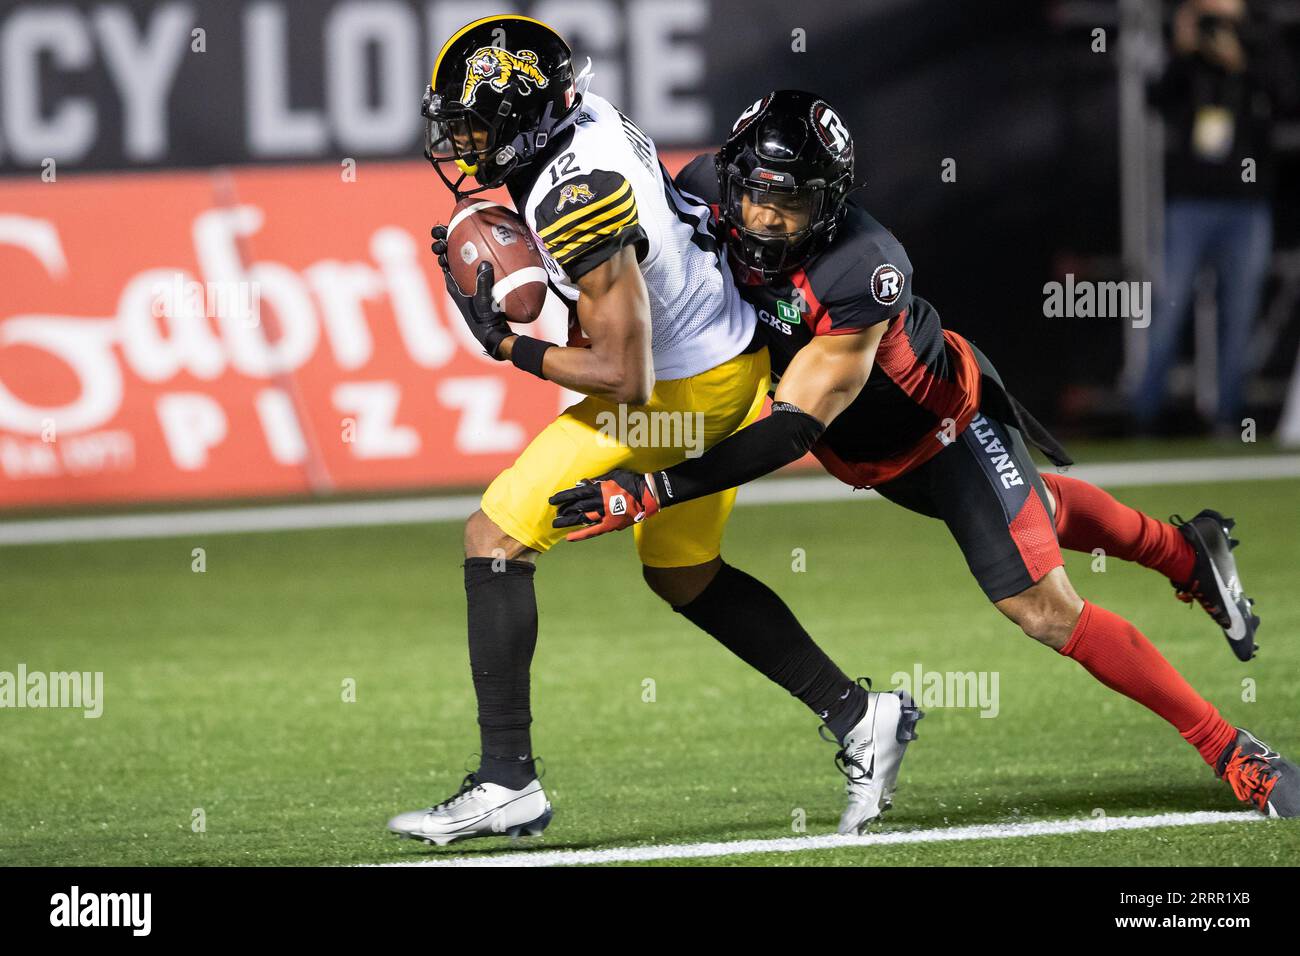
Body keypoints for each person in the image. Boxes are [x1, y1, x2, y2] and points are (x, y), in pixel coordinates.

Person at [552, 90, 1297, 819]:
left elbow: (794, 427)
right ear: (731, 174)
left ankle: (1233, 749)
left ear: (832, 204)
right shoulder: (702, 189)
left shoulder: (861, 268)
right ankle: (1183, 549)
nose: (768, 218)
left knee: (1040, 607)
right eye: (756, 194)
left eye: (794, 204)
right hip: (875, 455)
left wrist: (653, 489)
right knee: (1034, 515)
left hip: (945, 430)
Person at [386, 19, 915, 846]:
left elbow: (620, 377)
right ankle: (859, 716)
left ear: (526, 121)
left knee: (495, 535)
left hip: (678, 392)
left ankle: (506, 783)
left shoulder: (574, 195)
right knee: (682, 570)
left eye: (475, 124)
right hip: (725, 350)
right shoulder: (581, 118)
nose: (459, 141)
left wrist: (508, 343)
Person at [1132, 0, 1291, 433]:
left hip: (1246, 204)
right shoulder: (1190, 41)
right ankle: (1144, 415)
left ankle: (1229, 418)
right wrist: (1183, 49)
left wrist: (1241, 64)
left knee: (1239, 312)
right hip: (1190, 200)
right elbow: (1156, 98)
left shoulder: (1261, 37)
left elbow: (1286, 98)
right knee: (1168, 305)